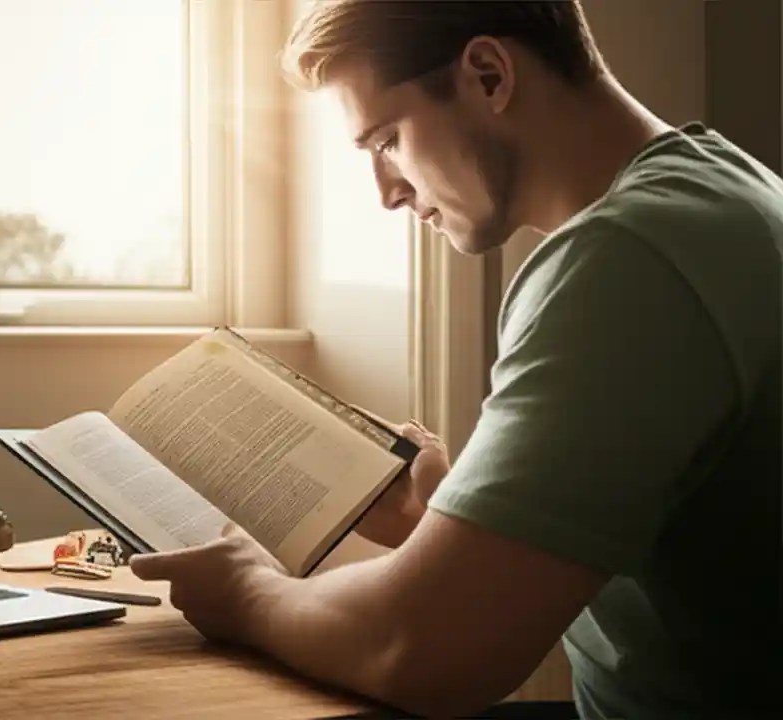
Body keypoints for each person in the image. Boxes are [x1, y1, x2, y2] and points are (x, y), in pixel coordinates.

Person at [128, 2, 782, 718]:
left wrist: (251, 593)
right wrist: (436, 520)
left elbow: (428, 651)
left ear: (488, 74)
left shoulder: (628, 259)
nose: (387, 192)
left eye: (387, 142)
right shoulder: (724, 189)